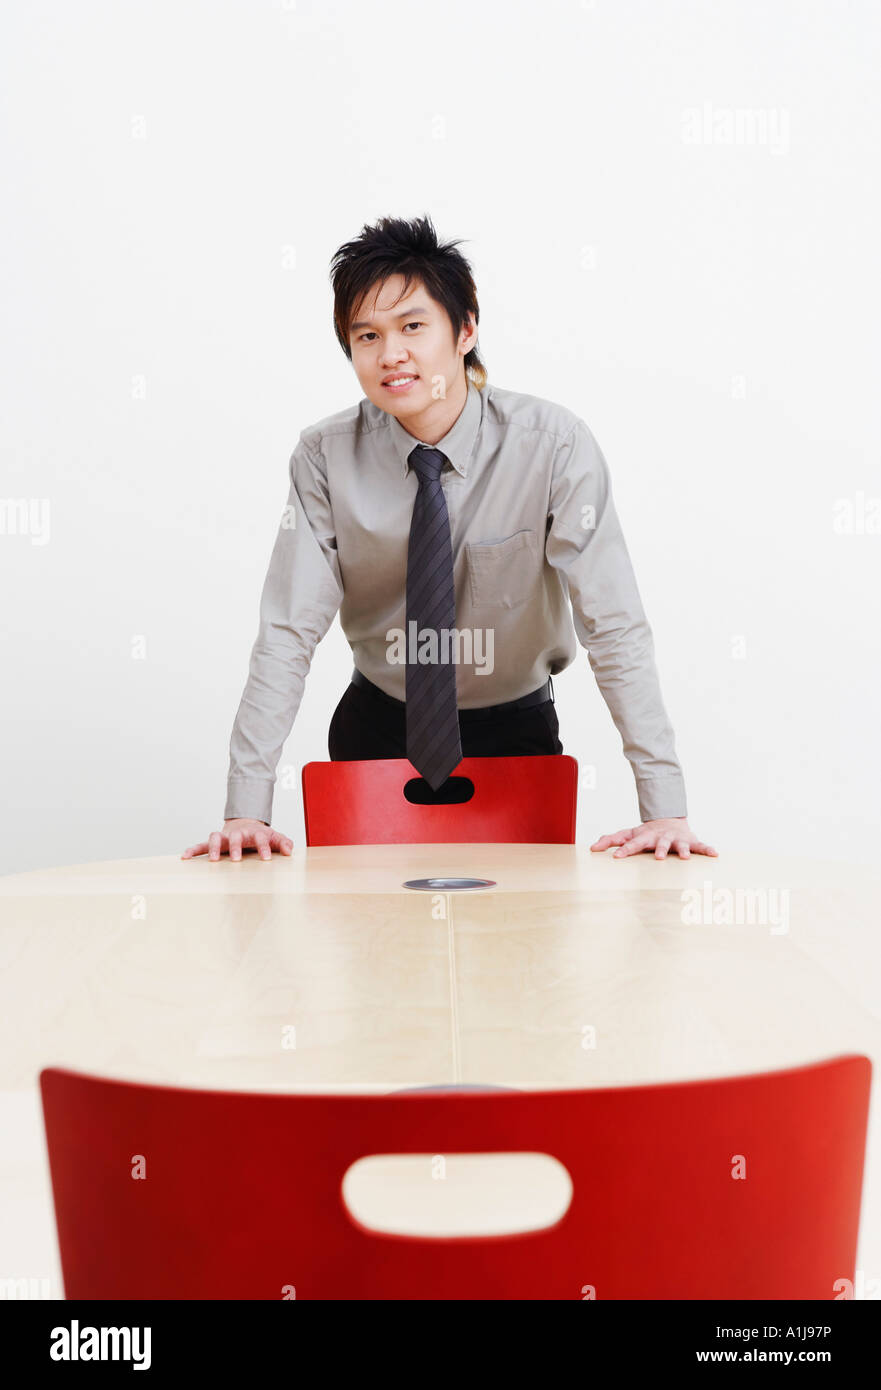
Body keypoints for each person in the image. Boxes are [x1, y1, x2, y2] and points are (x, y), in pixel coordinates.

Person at [182, 214, 717, 864]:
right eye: (366, 336)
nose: (390, 355)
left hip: (515, 734)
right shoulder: (324, 457)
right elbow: (287, 632)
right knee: (375, 949)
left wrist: (663, 809)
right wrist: (245, 809)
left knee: (521, 950)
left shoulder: (552, 447)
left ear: (464, 330)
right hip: (377, 730)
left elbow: (613, 623)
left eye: (412, 327)